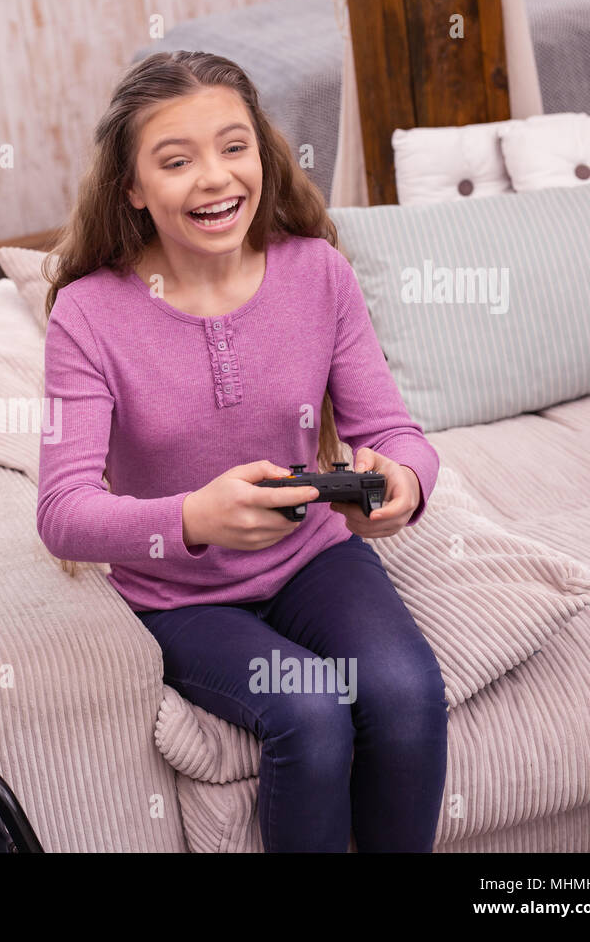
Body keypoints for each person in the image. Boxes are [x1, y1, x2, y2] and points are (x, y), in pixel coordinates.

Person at [36, 51, 448, 852]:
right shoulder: (86, 315)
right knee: (311, 710)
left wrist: (403, 482)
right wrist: (195, 517)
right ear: (132, 187)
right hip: (183, 598)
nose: (215, 179)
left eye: (234, 147)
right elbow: (61, 513)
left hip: (318, 557)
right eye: (176, 160)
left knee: (403, 691)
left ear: (262, 153)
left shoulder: (318, 273)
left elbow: (395, 433)